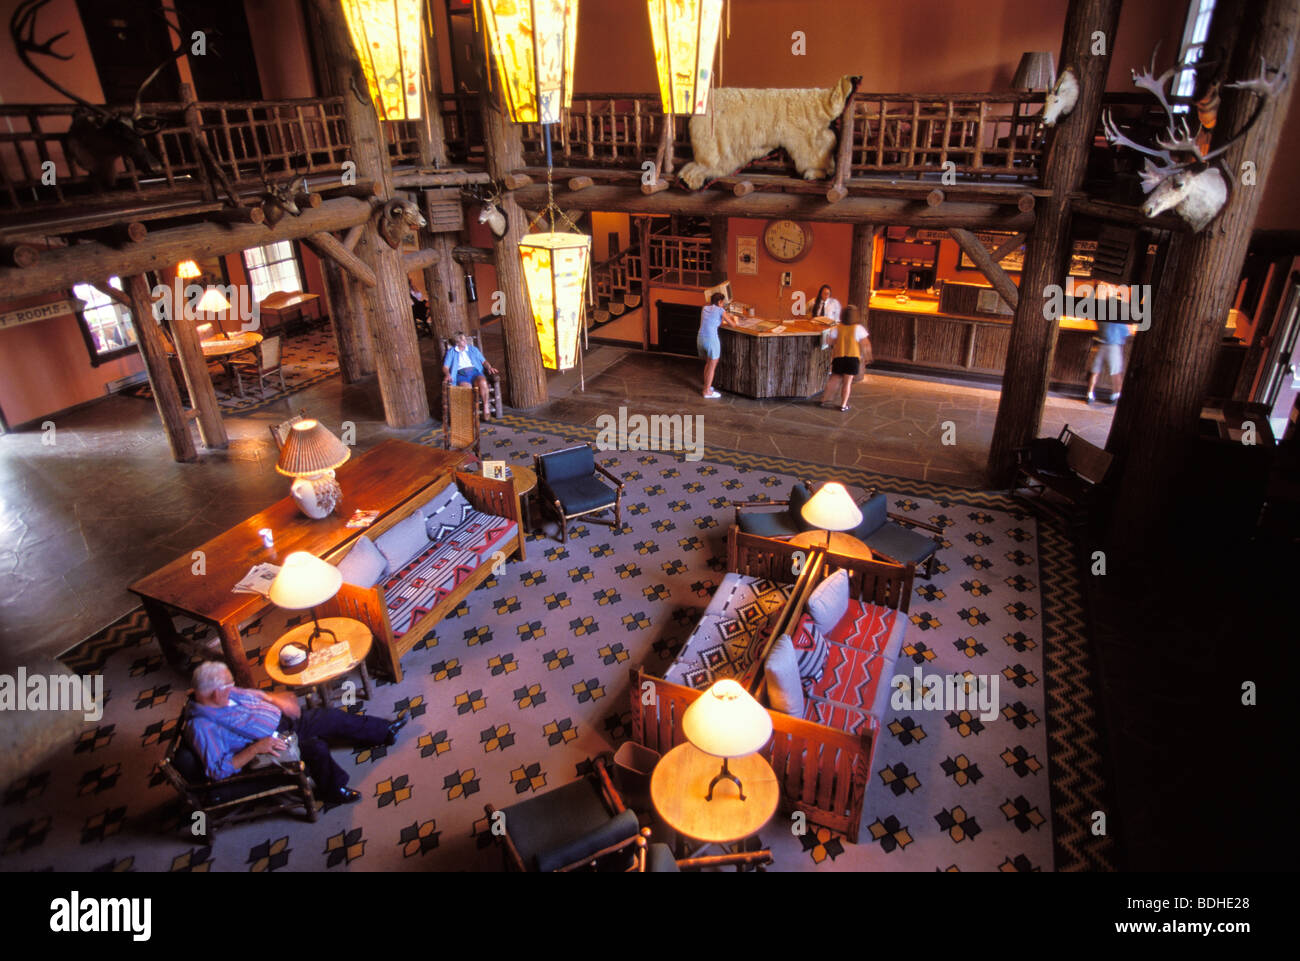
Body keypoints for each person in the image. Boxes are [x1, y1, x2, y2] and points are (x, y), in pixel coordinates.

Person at [185, 661, 407, 806]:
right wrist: (256, 747)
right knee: (316, 747)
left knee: (328, 716)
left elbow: (251, 694)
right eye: (228, 685)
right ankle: (334, 791)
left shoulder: (222, 694)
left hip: (279, 724)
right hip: (268, 746)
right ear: (216, 693)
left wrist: (274, 699)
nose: (232, 687)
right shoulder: (203, 727)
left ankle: (384, 731)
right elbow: (217, 770)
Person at [820, 304, 870, 411]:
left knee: (834, 379)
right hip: (852, 358)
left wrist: (837, 342)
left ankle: (824, 400)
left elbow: (829, 341)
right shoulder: (858, 329)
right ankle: (843, 405)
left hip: (839, 357)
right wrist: (867, 355)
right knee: (847, 383)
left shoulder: (837, 328)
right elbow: (865, 343)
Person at [442, 331, 499, 420]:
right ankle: (472, 411)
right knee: (466, 389)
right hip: (461, 375)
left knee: (483, 382)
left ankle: (485, 406)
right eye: (462, 340)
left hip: (475, 372)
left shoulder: (473, 349)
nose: (465, 341)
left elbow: (483, 361)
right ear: (457, 343)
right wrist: (447, 374)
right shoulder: (451, 352)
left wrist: (489, 367)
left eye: (465, 339)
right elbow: (445, 367)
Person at [698, 291, 732, 399]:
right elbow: (733, 324)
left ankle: (706, 386)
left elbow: (716, 321)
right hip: (711, 340)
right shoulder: (721, 310)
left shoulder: (704, 308)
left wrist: (723, 315)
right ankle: (707, 392)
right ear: (720, 301)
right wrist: (735, 320)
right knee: (712, 366)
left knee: (708, 364)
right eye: (723, 302)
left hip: (700, 339)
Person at [1087, 320, 1131, 404]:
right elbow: (1126, 332)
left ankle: (1089, 394)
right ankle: (1116, 395)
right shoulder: (1120, 318)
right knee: (1115, 372)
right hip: (1113, 346)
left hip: (1100, 345)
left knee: (1095, 371)